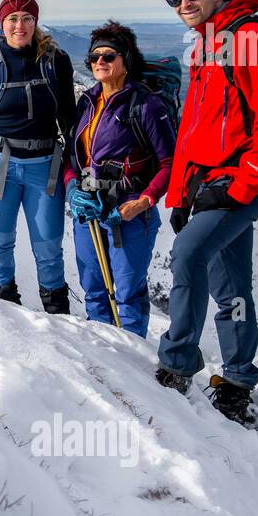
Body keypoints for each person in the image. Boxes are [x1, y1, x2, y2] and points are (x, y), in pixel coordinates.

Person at [153, 0, 258, 428]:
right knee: (232, 285)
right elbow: (194, 132)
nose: (183, 3)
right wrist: (180, 196)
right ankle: (237, 382)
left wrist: (240, 187)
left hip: (241, 182)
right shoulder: (205, 45)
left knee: (188, 256)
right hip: (208, 184)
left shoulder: (253, 39)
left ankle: (176, 366)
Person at [0, 0, 76, 313]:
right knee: (0, 241)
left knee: (49, 247)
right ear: (2, 23)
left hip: (45, 166)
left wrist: (75, 167)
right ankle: (5, 312)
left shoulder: (56, 62)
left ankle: (58, 316)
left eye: (26, 18)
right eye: (12, 18)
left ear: (35, 22)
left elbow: (69, 118)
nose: (19, 25)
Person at [64, 22, 175, 338]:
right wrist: (73, 189)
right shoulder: (87, 102)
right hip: (89, 210)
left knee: (126, 294)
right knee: (94, 290)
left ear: (126, 59)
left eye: (109, 56)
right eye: (95, 56)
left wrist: (143, 202)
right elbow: (72, 159)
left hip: (129, 211)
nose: (100, 62)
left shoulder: (146, 105)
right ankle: (104, 368)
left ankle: (133, 369)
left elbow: (169, 163)